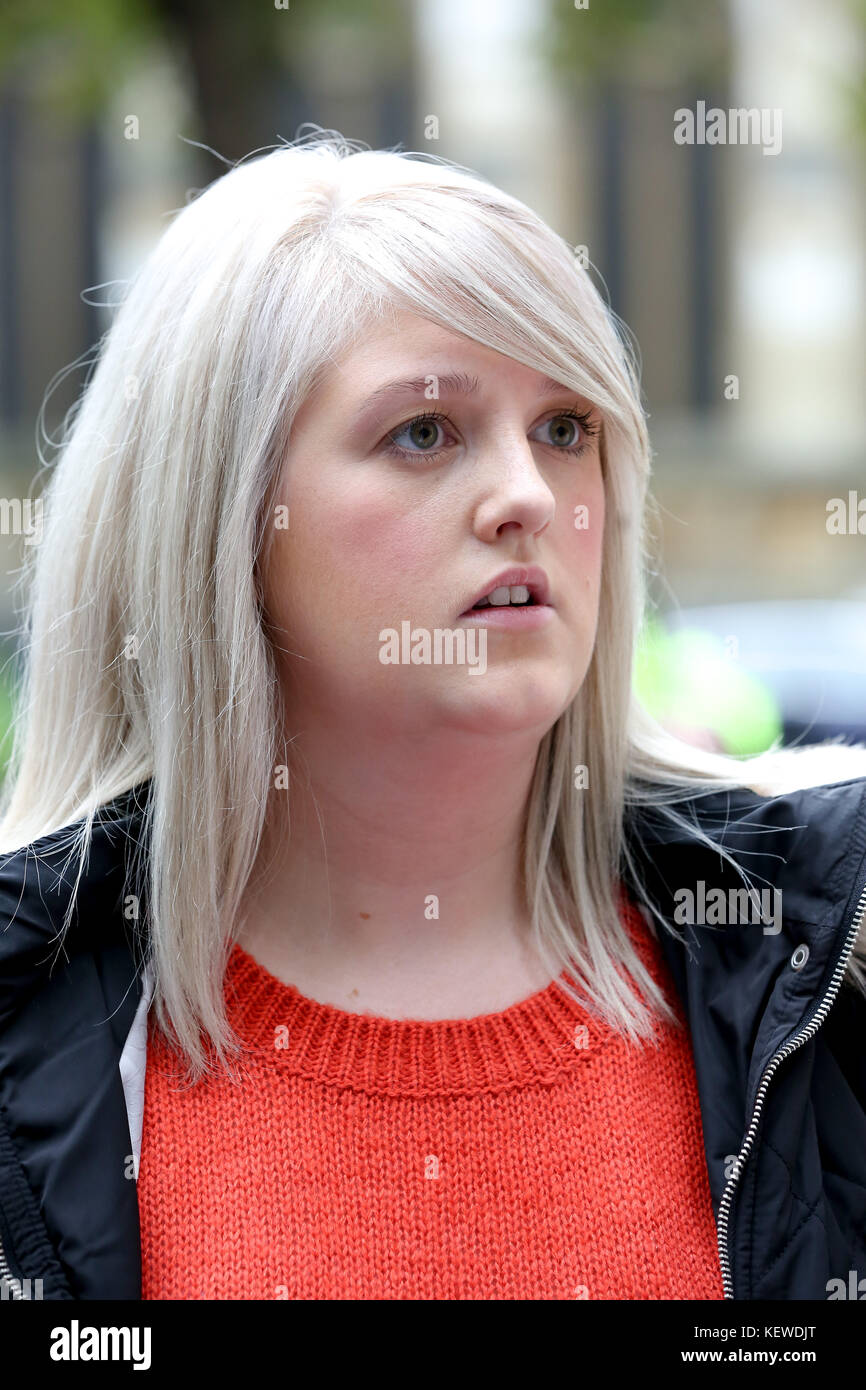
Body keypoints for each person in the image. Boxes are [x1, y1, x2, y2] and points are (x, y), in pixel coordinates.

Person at [0, 131, 864, 1303]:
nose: (525, 496)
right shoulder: (34, 1035)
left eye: (565, 428)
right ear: (223, 518)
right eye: (423, 431)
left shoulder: (822, 966)